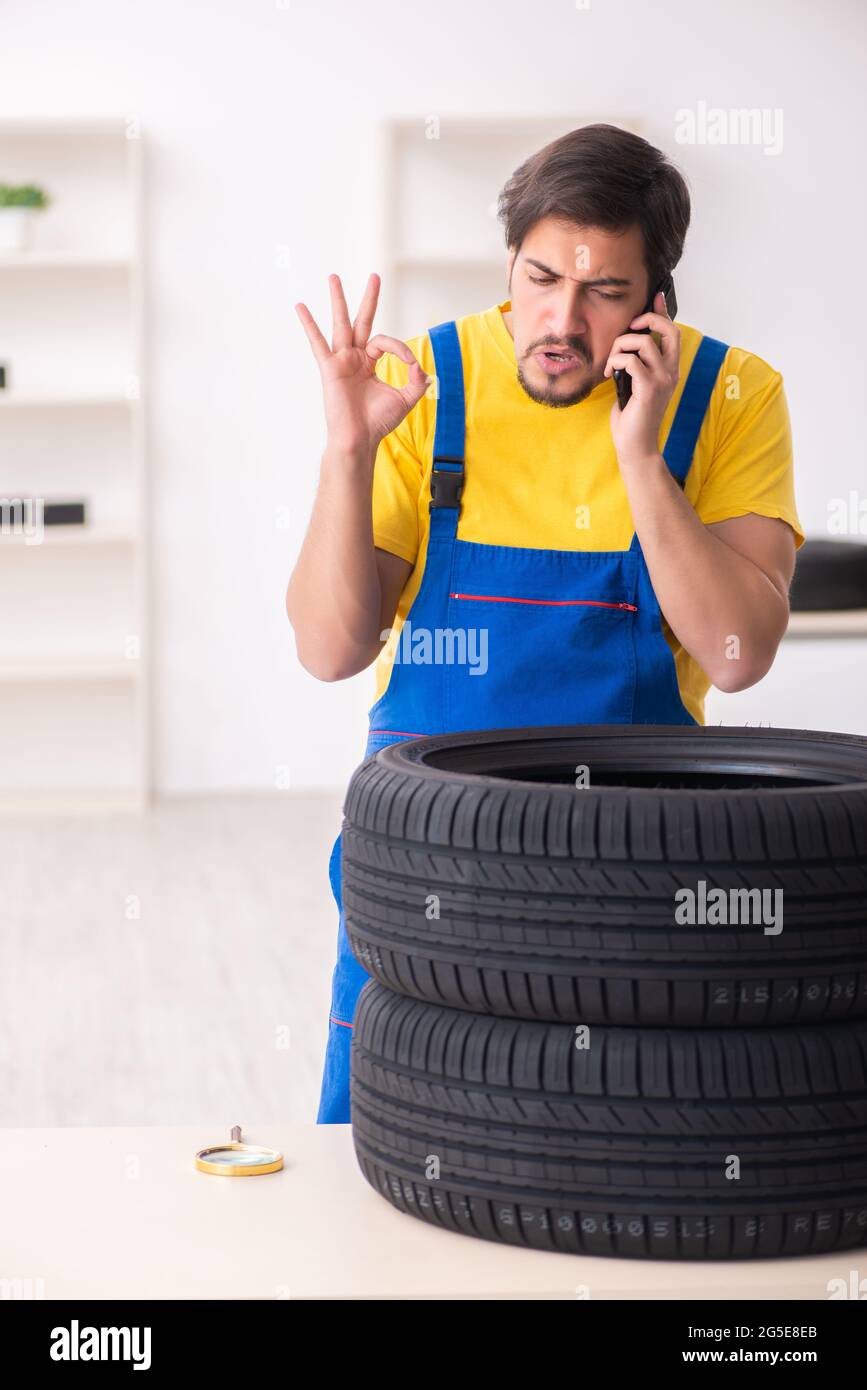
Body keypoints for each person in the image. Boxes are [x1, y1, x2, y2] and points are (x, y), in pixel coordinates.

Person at [286, 123, 805, 1124]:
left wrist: (644, 459)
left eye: (604, 291)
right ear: (508, 263)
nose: (561, 320)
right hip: (429, 863)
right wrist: (348, 453)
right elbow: (327, 649)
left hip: (634, 871)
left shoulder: (732, 397)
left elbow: (738, 658)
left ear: (658, 300)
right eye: (538, 279)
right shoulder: (426, 385)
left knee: (615, 1153)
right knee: (389, 1161)